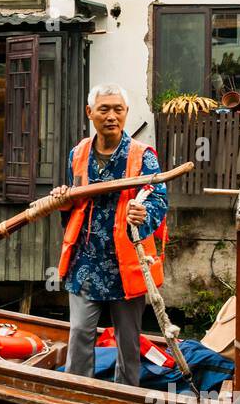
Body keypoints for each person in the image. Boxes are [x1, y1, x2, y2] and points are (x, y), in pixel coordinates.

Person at [49, 84, 168, 385]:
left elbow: (158, 198)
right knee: (79, 333)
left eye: (118, 109)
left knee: (128, 341)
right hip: (85, 262)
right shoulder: (78, 154)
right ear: (90, 113)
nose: (111, 116)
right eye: (104, 109)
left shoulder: (143, 156)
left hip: (126, 263)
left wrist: (144, 214)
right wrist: (64, 197)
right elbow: (73, 202)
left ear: (126, 113)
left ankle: (126, 397)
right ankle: (78, 394)